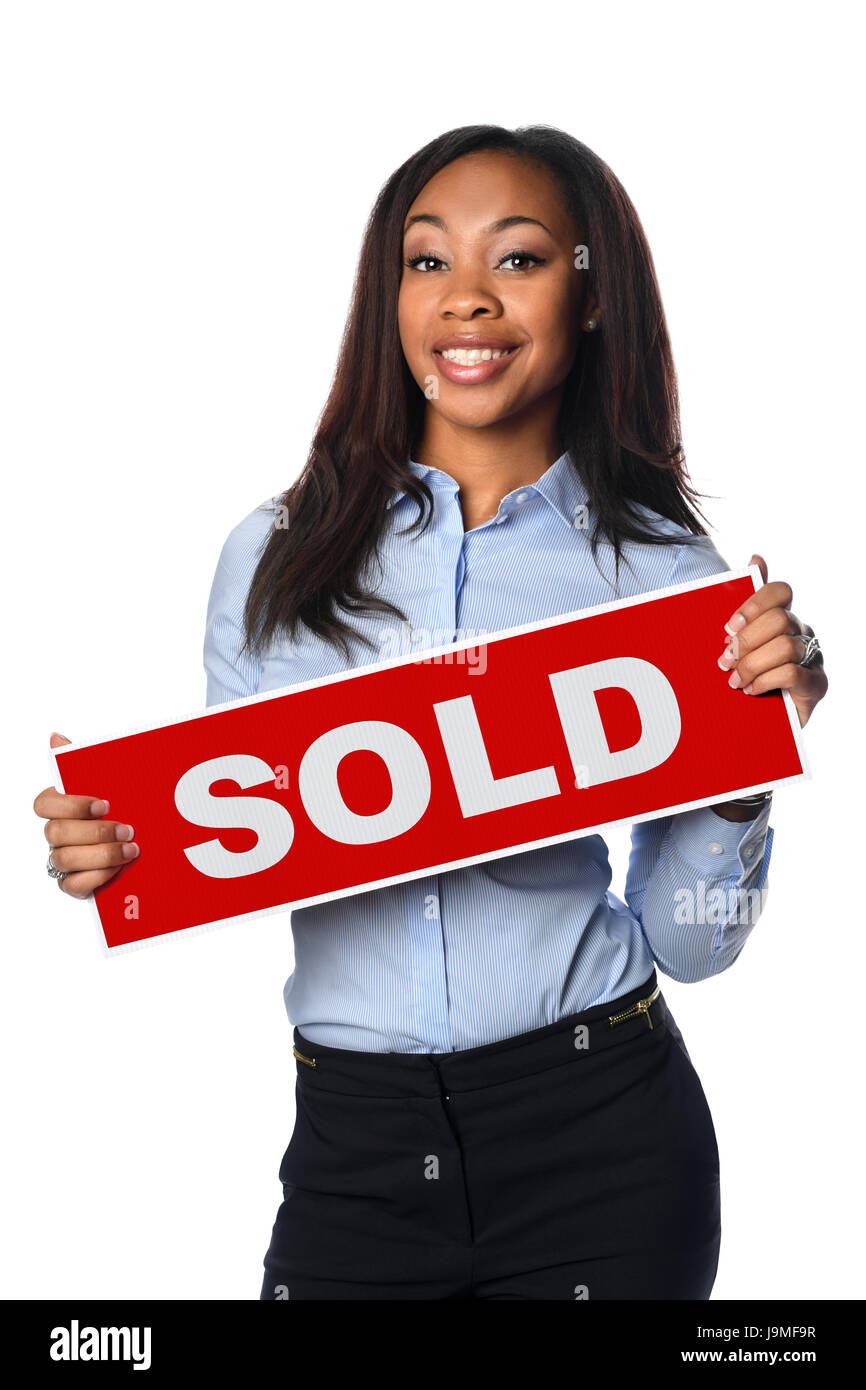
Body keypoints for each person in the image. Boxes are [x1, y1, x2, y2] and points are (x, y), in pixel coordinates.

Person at [34, 125, 828, 1300]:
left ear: (590, 291)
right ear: (387, 296)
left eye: (516, 261)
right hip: (351, 1144)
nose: (466, 300)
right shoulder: (274, 555)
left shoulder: (666, 573)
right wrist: (122, 840)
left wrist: (744, 764)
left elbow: (691, 947)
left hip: (601, 1130)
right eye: (425, 263)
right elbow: (243, 834)